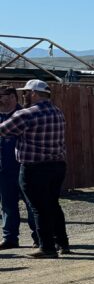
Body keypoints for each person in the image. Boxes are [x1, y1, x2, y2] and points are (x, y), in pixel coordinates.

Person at [0, 79, 70, 258]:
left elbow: (4, 131)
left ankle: (46, 247)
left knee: (38, 207)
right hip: (57, 165)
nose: (24, 96)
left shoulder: (27, 114)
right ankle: (62, 243)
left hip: (34, 167)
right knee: (52, 204)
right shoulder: (57, 112)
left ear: (33, 94)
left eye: (25, 93)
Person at [0, 85, 39, 250]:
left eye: (1, 95)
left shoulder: (24, 114)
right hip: (3, 169)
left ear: (12, 97)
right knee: (7, 204)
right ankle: (10, 238)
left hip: (24, 167)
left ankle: (39, 237)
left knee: (32, 204)